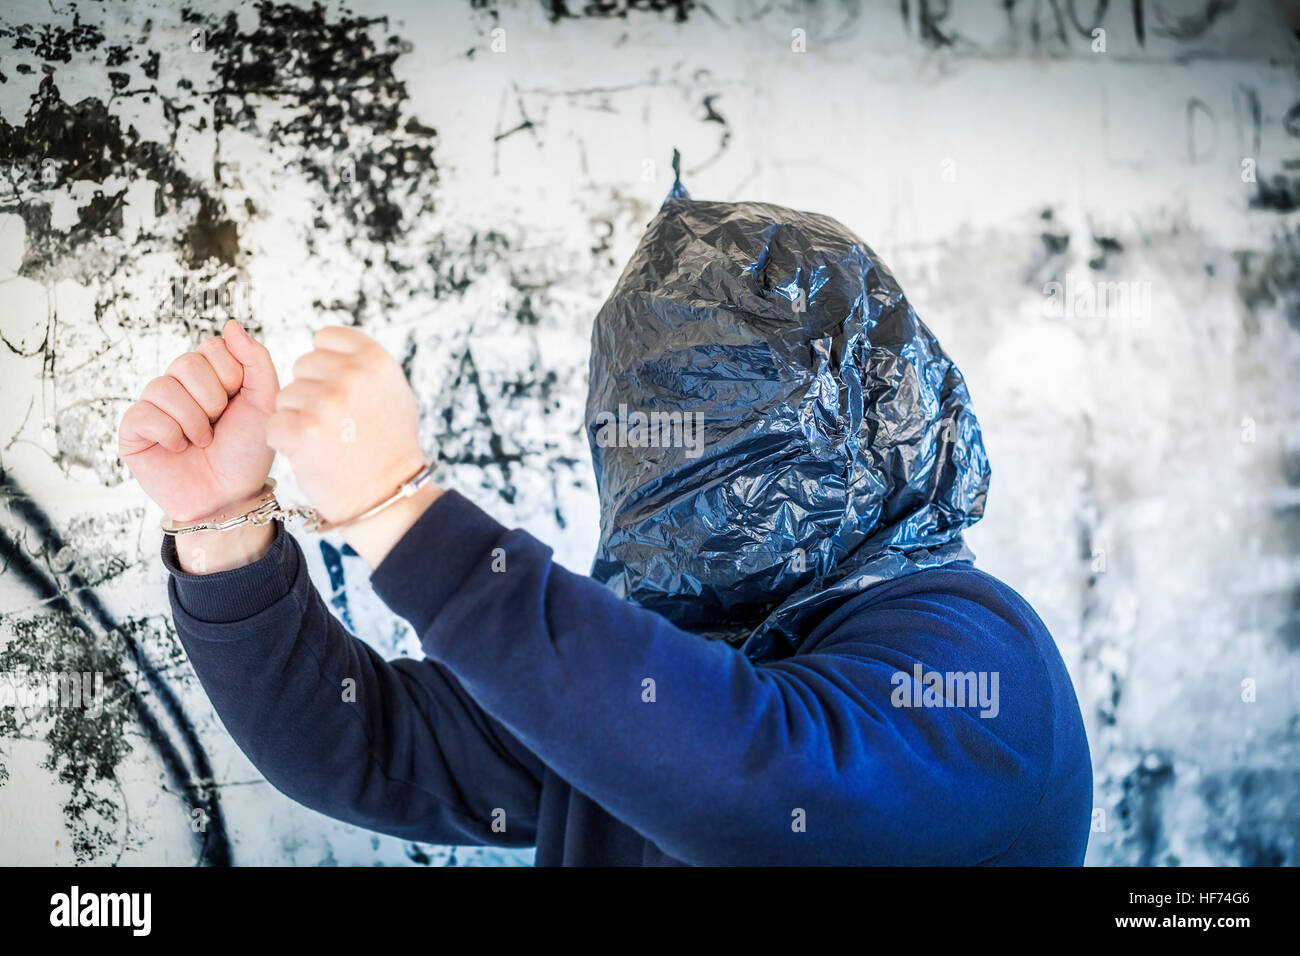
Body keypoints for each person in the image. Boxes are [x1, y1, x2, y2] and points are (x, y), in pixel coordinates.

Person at [118, 195, 1092, 866]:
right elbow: (358, 744)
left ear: (867, 420)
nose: (671, 472)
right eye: (645, 424)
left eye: (723, 425)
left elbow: (763, 779)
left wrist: (397, 507)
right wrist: (221, 527)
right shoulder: (651, 681)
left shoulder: (985, 664)